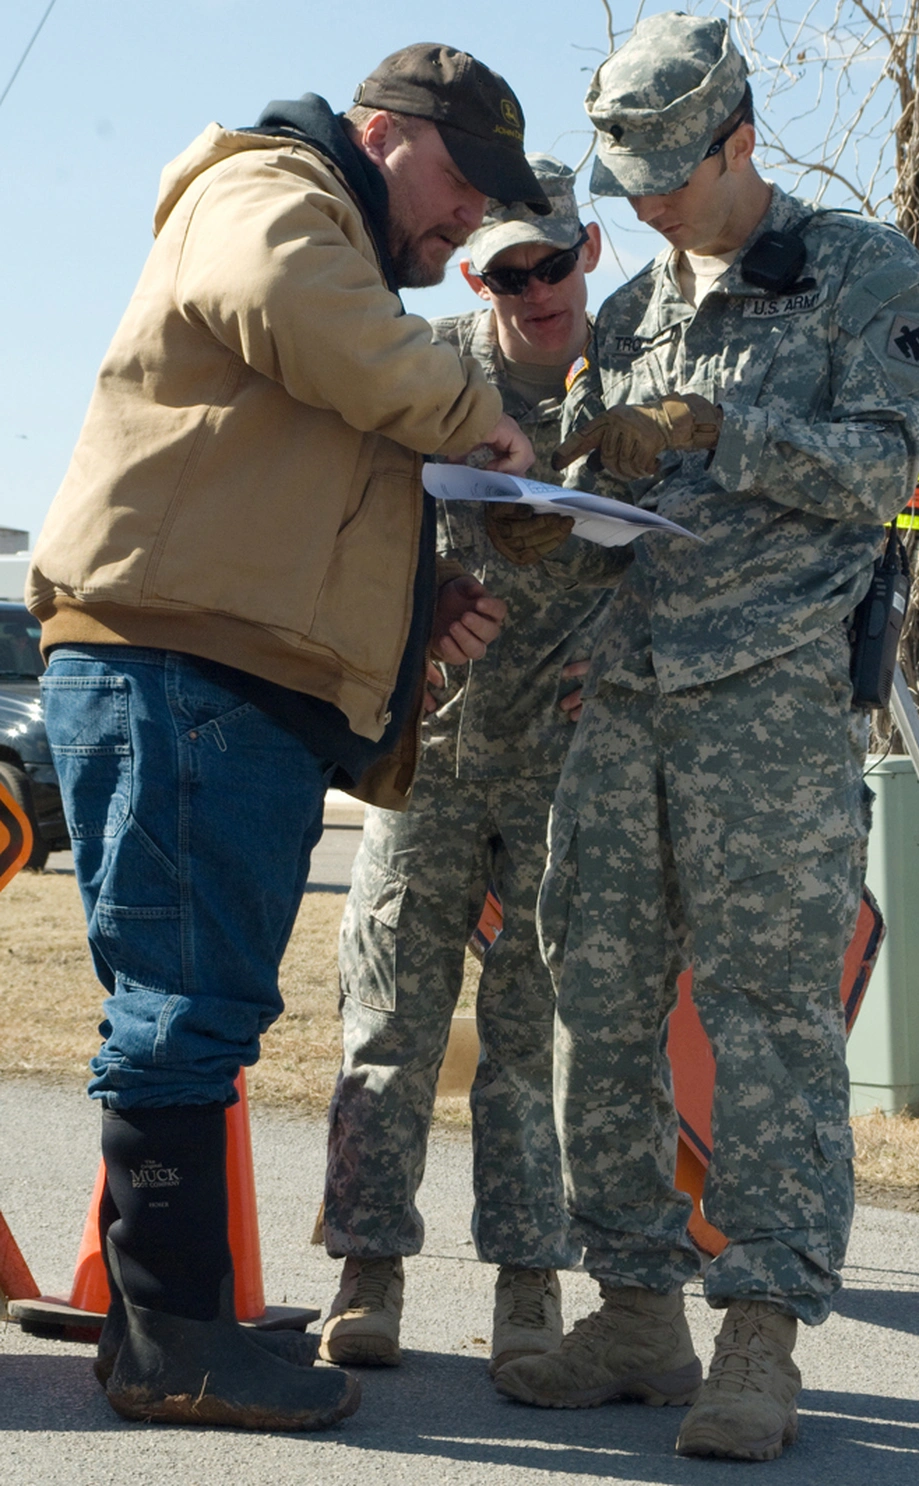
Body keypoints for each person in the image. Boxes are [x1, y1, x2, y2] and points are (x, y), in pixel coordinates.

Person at [26, 43, 547, 1433]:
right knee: (186, 1008)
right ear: (382, 134)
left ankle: (169, 1310)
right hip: (181, 665)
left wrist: (404, 606)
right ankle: (174, 1341)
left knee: (196, 1001)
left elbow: (280, 472)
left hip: (214, 660)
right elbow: (280, 301)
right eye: (462, 184)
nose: (471, 221)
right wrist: (468, 413)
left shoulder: (330, 251)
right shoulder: (272, 190)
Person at [490, 12, 919, 1463]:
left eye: (670, 178)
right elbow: (597, 534)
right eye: (628, 183)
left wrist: (712, 433)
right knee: (602, 999)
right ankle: (637, 1308)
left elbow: (886, 474)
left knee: (764, 1019)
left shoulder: (857, 272)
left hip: (768, 701)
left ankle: (760, 1330)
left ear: (740, 140)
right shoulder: (632, 312)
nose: (645, 208)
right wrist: (544, 492)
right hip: (621, 701)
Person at [321, 157, 629, 1377]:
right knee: (387, 1021)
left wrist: (611, 662)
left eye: (550, 262)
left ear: (587, 250)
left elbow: (677, 565)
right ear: (472, 273)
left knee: (531, 1038)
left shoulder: (639, 383)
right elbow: (357, 518)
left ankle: (527, 1290)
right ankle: (367, 1269)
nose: (533, 289)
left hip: (565, 764)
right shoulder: (432, 368)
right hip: (434, 751)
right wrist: (418, 611)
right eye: (507, 270)